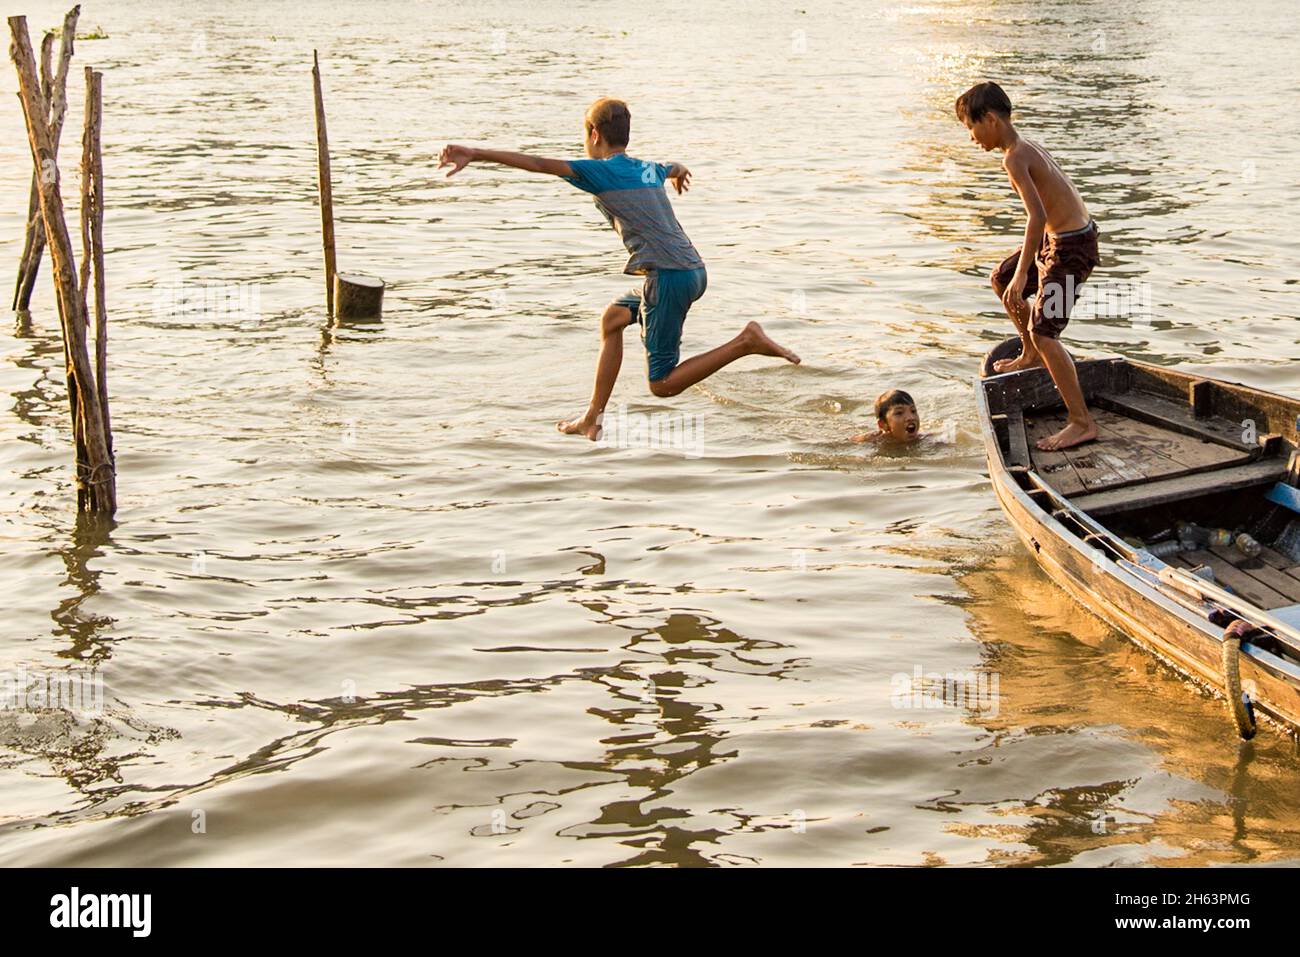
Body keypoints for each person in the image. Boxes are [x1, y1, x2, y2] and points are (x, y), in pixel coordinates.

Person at [438, 97, 800, 441]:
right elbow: (672, 166)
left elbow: (537, 163)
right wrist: (680, 170)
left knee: (663, 384)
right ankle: (592, 420)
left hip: (667, 277)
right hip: (690, 269)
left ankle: (745, 342)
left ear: (594, 135)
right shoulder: (648, 169)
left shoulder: (597, 172)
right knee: (612, 319)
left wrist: (476, 153)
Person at [956, 81, 1101, 451]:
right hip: (1061, 241)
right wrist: (1024, 266)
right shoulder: (1024, 147)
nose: (972, 139)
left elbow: (1035, 216)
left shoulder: (1014, 156)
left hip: (1072, 249)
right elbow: (1048, 214)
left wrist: (1026, 272)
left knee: (1045, 330)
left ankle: (1081, 422)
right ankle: (1030, 353)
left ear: (989, 119)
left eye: (970, 128)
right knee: (1000, 278)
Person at [851, 389, 922, 444]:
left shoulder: (923, 439)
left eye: (913, 411)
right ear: (883, 425)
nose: (911, 417)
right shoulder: (875, 440)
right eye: (899, 413)